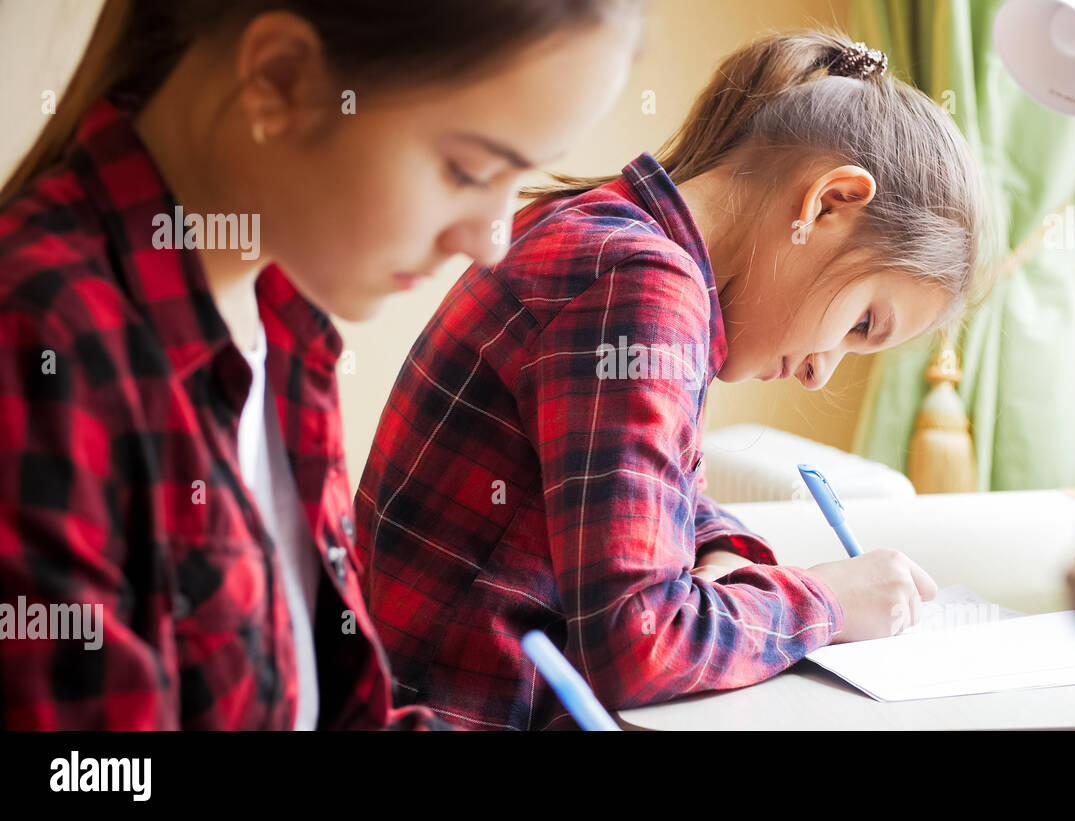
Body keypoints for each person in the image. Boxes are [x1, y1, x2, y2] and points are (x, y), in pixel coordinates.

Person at [0, 0, 643, 730]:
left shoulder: (284, 320)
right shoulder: (41, 345)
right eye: (468, 170)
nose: (492, 241)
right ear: (282, 79)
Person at [354, 30, 986, 730]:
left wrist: (722, 548)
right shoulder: (642, 288)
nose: (818, 371)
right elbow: (638, 643)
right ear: (828, 204)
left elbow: (659, 489)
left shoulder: (605, 232)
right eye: (863, 323)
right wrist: (825, 602)